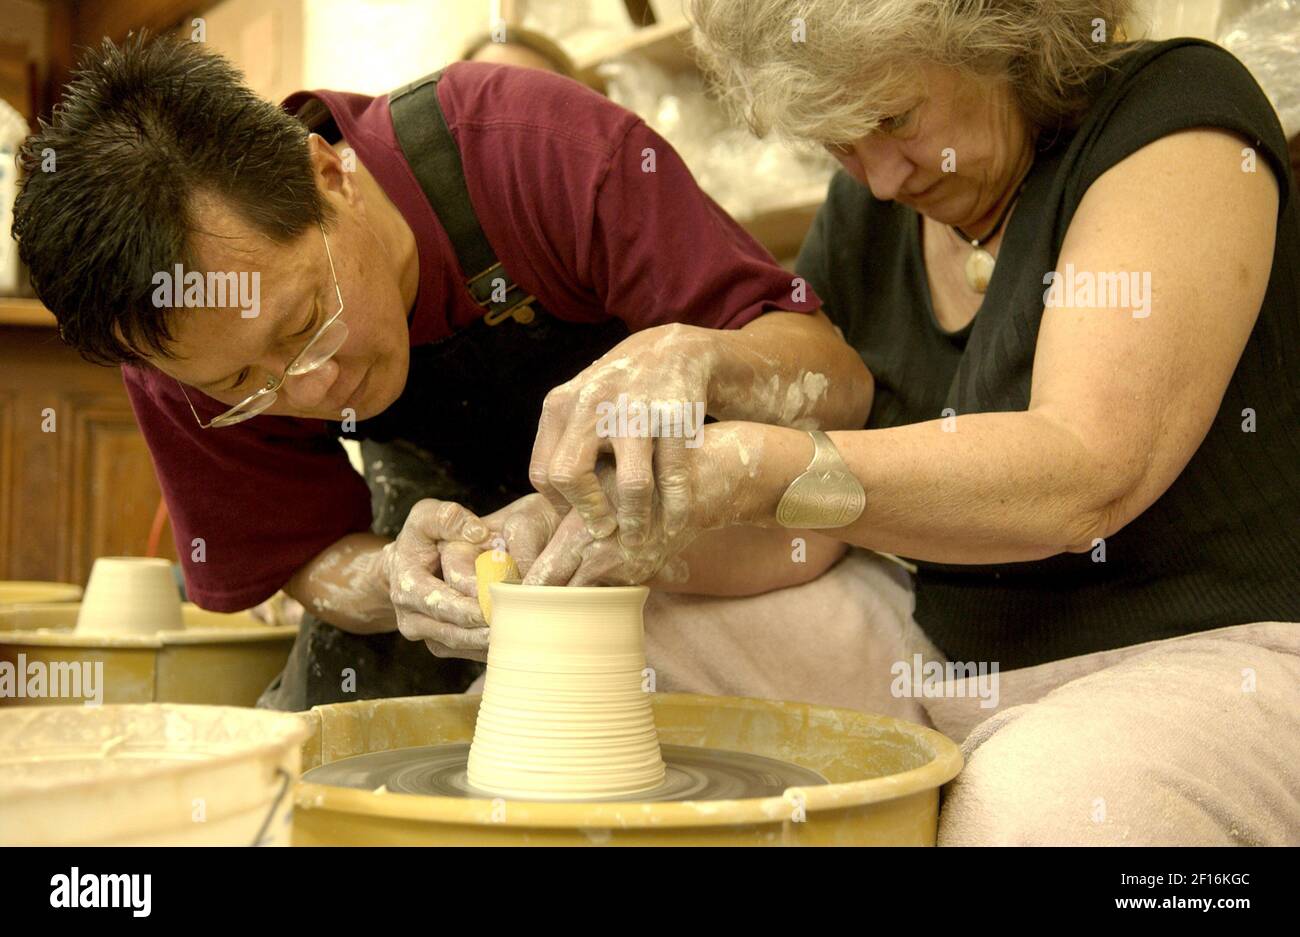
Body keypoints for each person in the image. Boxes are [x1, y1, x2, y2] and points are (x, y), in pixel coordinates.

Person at [463, 0, 1299, 844]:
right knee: (614, 668)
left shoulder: (1173, 116)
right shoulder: (872, 206)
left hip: (1210, 651)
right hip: (944, 644)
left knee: (1035, 811)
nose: (885, 177)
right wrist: (585, 525)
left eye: (895, 118)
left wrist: (757, 464)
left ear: (999, 34)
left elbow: (1083, 474)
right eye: (839, 142)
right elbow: (811, 533)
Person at [11, 34, 869, 708]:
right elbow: (300, 554)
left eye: (308, 323)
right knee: (321, 757)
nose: (309, 390)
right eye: (247, 387)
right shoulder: (174, 343)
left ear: (328, 174)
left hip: (695, 541)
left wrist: (699, 356)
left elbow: (836, 378)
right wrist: (390, 580)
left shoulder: (530, 148)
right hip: (447, 570)